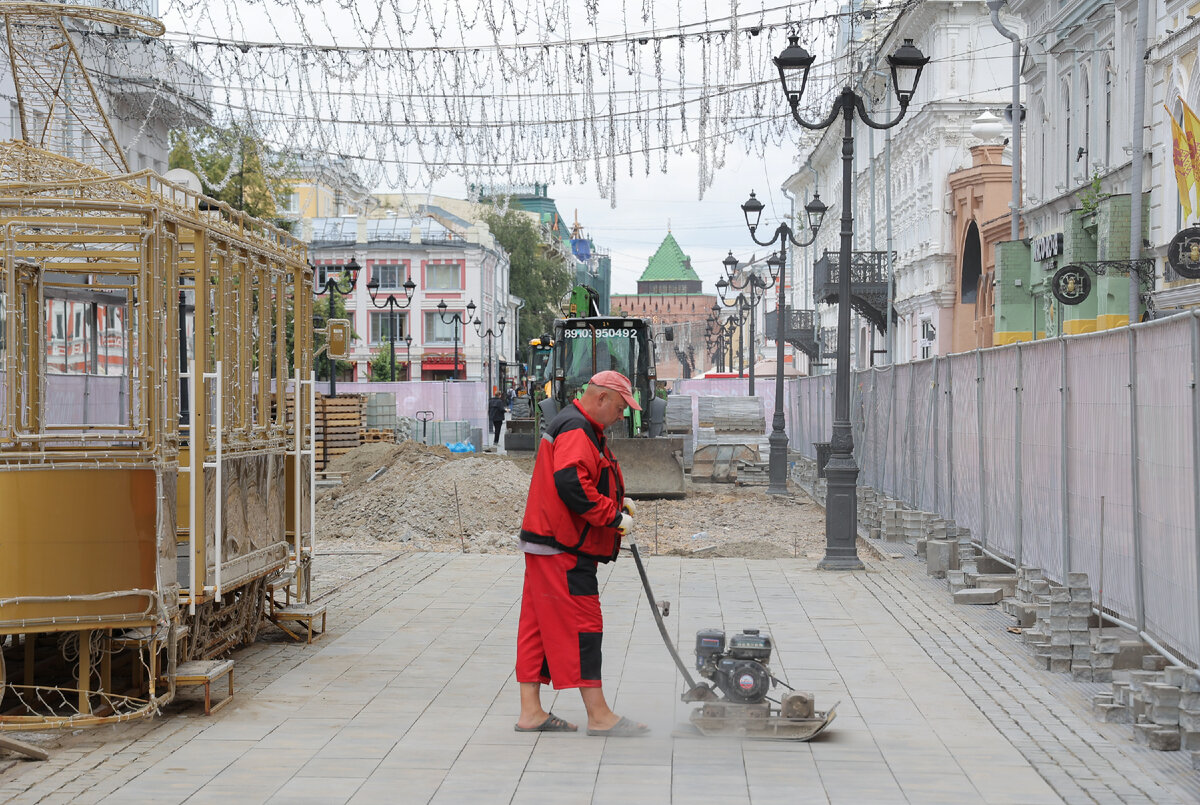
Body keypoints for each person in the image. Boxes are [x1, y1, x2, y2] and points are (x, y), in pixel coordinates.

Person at [513, 371, 649, 737]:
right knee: (585, 625)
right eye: (621, 408)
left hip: (545, 542)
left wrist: (619, 502)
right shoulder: (577, 428)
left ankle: (531, 712)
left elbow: (585, 477)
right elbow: (572, 484)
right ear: (601, 398)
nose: (622, 416)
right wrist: (613, 516)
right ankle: (600, 715)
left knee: (537, 628)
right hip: (563, 546)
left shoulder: (580, 426)